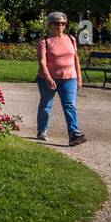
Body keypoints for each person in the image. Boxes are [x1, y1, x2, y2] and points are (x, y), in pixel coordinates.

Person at [36, 11, 87, 146]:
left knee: (70, 106)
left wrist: (79, 77)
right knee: (46, 105)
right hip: (48, 79)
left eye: (63, 23)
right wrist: (48, 78)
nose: (60, 26)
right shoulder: (44, 42)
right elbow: (42, 62)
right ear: (50, 25)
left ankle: (74, 134)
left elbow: (75, 58)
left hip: (69, 78)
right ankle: (42, 130)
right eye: (57, 23)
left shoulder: (71, 39)